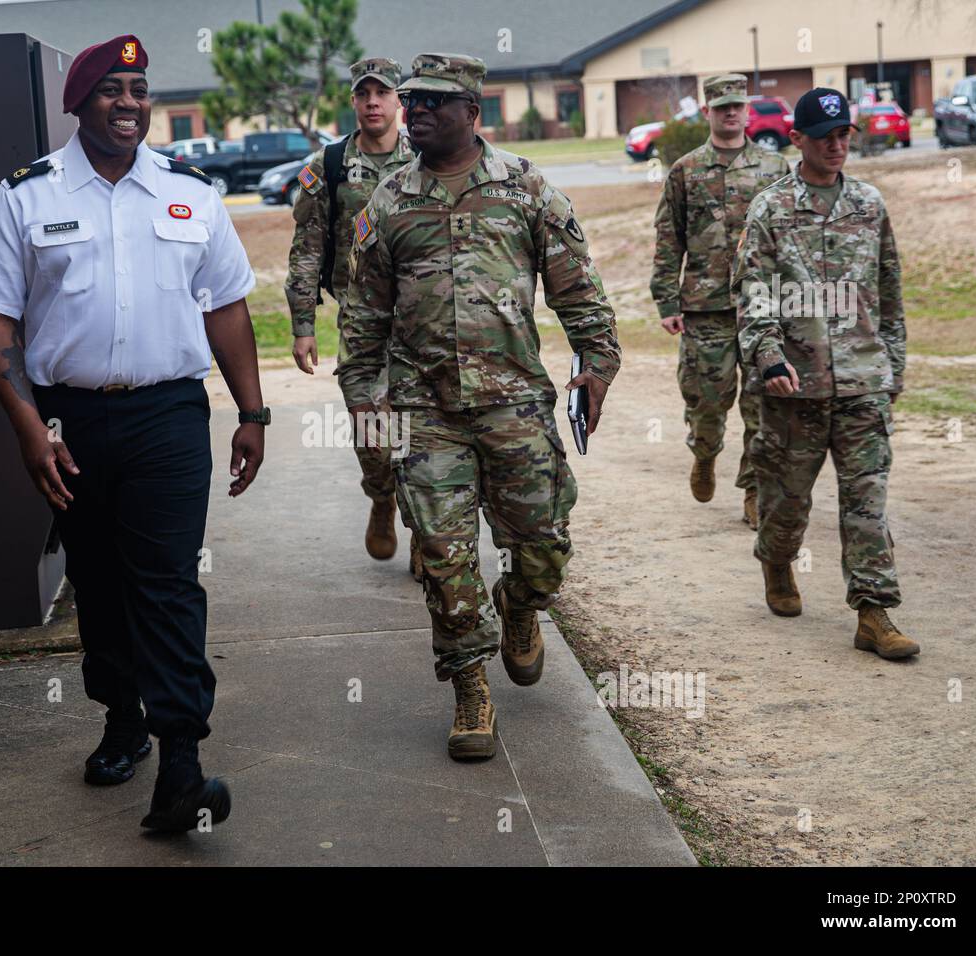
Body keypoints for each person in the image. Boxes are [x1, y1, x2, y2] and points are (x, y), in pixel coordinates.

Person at [0, 34, 271, 830]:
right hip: (71, 419)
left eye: (139, 89)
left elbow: (226, 308)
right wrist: (28, 427)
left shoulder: (188, 192)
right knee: (100, 581)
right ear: (79, 103)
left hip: (168, 415)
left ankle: (182, 764)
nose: (129, 104)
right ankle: (122, 718)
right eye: (111, 91)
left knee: (167, 583)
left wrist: (253, 412)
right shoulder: (26, 196)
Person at [337, 53, 621, 760]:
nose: (419, 110)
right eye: (412, 100)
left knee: (544, 545)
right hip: (424, 409)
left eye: (436, 100)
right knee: (442, 553)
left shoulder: (525, 189)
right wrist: (365, 398)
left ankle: (521, 604)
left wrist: (597, 363)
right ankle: (470, 689)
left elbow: (578, 291)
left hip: (515, 404)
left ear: (474, 112)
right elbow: (364, 317)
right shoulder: (390, 203)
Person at [734, 87, 918, 661]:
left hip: (863, 380)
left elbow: (888, 288)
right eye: (825, 138)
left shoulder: (869, 203)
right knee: (787, 500)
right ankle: (777, 558)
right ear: (798, 141)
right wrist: (767, 356)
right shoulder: (770, 208)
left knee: (867, 500)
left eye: (844, 136)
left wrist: (894, 365)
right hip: (796, 384)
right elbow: (753, 294)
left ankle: (873, 611)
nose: (837, 146)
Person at [285, 58, 421, 575]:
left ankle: (424, 535)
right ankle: (381, 495)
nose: (372, 102)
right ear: (352, 101)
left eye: (382, 93)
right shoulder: (331, 164)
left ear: (398, 101)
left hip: (422, 324)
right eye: (363, 93)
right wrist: (302, 324)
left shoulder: (426, 158)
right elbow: (306, 248)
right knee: (372, 432)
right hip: (361, 323)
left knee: (422, 431)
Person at [651, 73, 789, 526]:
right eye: (722, 106)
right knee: (707, 402)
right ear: (707, 111)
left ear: (748, 111)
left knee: (763, 406)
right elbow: (669, 238)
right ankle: (705, 454)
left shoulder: (774, 168)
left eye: (738, 105)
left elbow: (790, 240)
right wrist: (667, 300)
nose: (731, 112)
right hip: (705, 307)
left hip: (763, 308)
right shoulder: (686, 170)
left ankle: (754, 491)